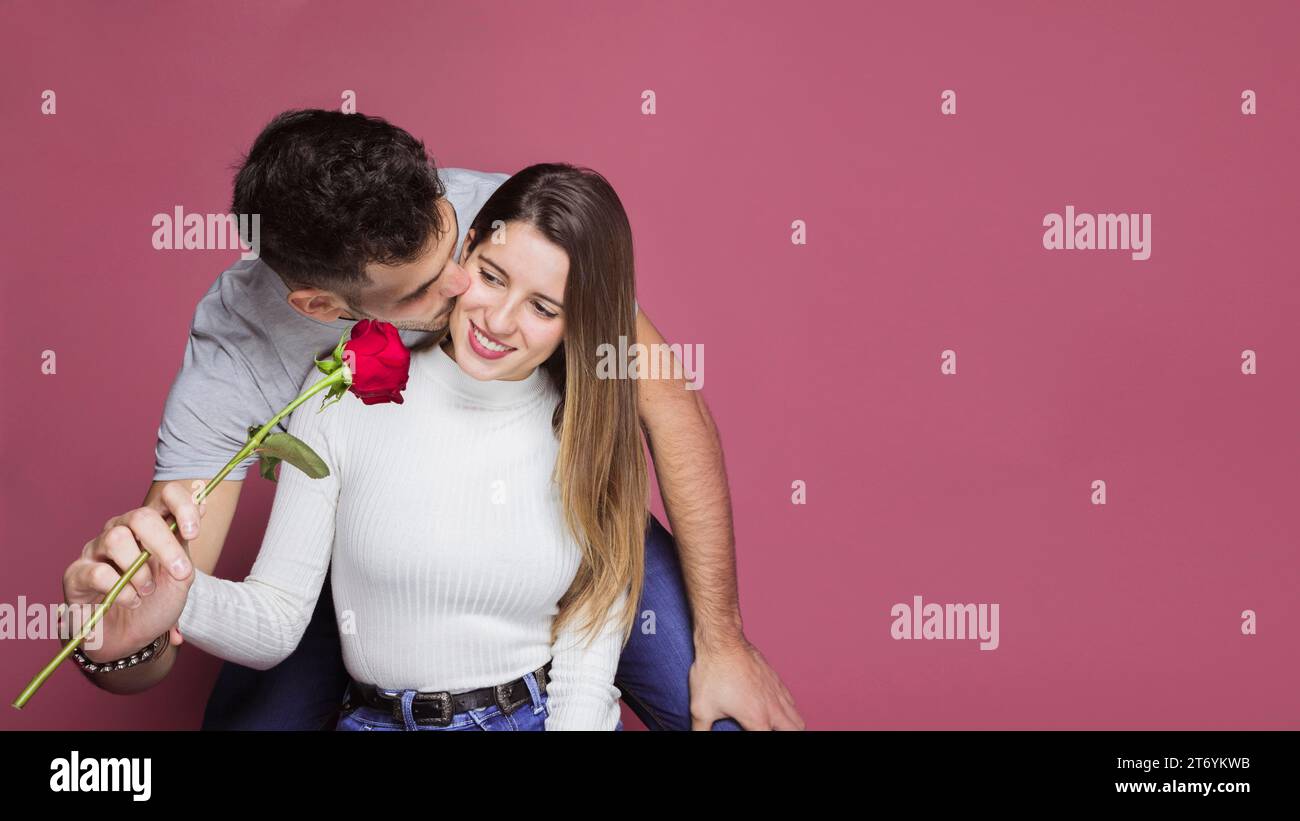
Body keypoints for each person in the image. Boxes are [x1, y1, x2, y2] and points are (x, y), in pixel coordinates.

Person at [60, 109, 803, 731]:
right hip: (357, 551)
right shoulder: (240, 365)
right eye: (427, 288)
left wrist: (724, 636)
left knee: (724, 707)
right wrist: (123, 634)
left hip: (558, 513)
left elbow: (667, 399)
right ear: (324, 309)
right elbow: (178, 589)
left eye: (462, 245)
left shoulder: (504, 220)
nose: (468, 288)